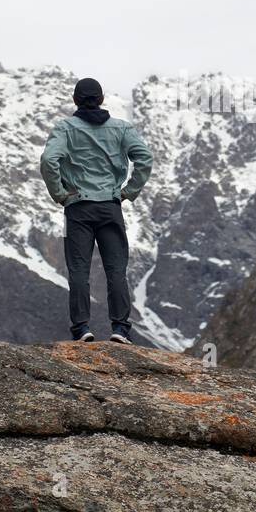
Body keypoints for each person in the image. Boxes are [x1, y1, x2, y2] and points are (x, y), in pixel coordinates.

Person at [39, 77, 153, 343]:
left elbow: (48, 160)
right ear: (102, 99)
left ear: (75, 100)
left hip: (78, 208)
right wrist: (128, 192)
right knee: (116, 269)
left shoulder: (65, 128)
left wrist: (59, 194)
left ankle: (81, 329)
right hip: (110, 208)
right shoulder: (122, 129)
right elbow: (144, 158)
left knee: (79, 270)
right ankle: (120, 329)